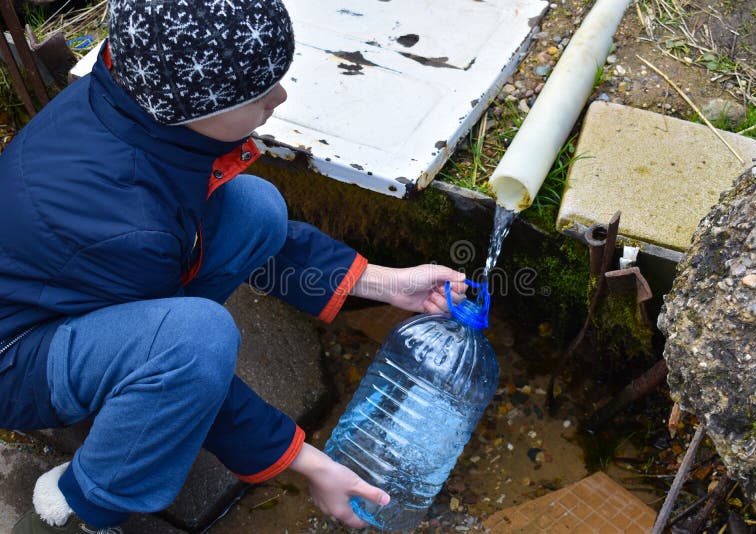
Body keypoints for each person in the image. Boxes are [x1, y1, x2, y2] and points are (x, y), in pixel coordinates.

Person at [0, 1, 467, 532]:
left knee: (255, 207)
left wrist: (384, 283)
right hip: (12, 359)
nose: (280, 97)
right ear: (193, 107)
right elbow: (188, 357)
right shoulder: (130, 222)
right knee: (196, 341)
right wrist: (308, 463)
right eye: (257, 94)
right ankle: (86, 500)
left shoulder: (133, 98)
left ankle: (127, 382)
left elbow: (207, 226)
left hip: (58, 285)